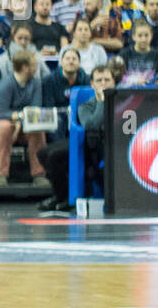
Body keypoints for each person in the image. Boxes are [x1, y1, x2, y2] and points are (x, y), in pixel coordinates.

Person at [37, 65, 115, 212]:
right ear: (92, 84)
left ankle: (62, 197)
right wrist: (102, 102)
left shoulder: (123, 102)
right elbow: (91, 125)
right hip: (91, 144)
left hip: (115, 145)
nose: (103, 84)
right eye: (99, 80)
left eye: (107, 80)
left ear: (113, 82)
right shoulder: (86, 105)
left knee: (54, 156)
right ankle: (63, 195)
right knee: (43, 153)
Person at [0, 49, 48, 187]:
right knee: (6, 127)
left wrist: (20, 120)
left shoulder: (36, 83)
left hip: (24, 125)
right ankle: (0, 176)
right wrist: (18, 118)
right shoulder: (5, 85)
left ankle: (39, 175)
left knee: (37, 129)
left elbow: (35, 109)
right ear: (25, 67)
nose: (37, 68)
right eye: (34, 65)